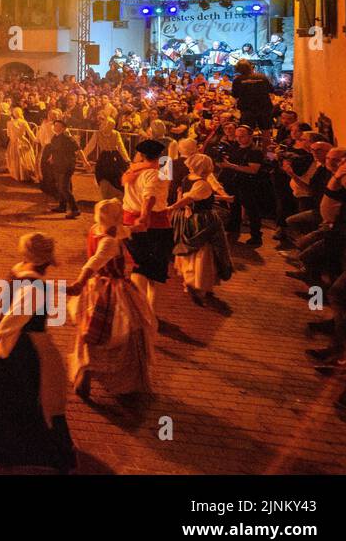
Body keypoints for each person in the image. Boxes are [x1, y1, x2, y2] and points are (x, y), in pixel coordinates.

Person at [0, 233, 76, 474]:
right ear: (46, 260)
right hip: (20, 347)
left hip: (1, 335)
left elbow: (24, 294)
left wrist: (62, 289)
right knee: (32, 401)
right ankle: (53, 457)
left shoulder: (19, 270)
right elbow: (18, 313)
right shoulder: (36, 287)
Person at [68, 199, 157, 399]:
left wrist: (138, 226)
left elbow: (128, 230)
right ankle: (119, 379)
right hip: (112, 290)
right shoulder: (109, 240)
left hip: (96, 288)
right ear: (117, 217)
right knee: (126, 332)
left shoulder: (97, 229)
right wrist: (79, 282)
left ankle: (86, 375)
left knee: (91, 331)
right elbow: (94, 261)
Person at [168, 154, 234, 304]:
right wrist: (171, 207)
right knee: (205, 251)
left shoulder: (187, 179)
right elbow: (192, 198)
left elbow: (200, 196)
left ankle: (191, 280)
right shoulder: (202, 183)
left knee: (188, 250)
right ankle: (197, 283)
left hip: (186, 217)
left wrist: (224, 198)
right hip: (202, 219)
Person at [122, 139, 173, 313]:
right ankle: (146, 310)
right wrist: (145, 216)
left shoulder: (133, 170)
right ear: (159, 155)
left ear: (142, 155)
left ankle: (139, 307)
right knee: (152, 270)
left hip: (131, 220)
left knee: (140, 265)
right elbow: (150, 196)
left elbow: (163, 187)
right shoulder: (159, 169)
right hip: (154, 223)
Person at [40, 120, 82, 219]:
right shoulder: (55, 137)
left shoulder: (68, 138)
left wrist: (85, 162)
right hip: (58, 165)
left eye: (57, 126)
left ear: (63, 128)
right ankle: (62, 206)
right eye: (54, 125)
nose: (55, 127)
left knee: (64, 188)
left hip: (67, 165)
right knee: (60, 186)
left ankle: (75, 209)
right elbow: (55, 150)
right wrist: (52, 158)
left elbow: (78, 150)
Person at [230, 59, 274, 132]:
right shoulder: (262, 77)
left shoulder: (237, 80)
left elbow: (235, 96)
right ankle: (266, 143)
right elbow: (271, 90)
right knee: (265, 131)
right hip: (264, 108)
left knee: (247, 131)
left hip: (247, 110)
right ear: (250, 67)